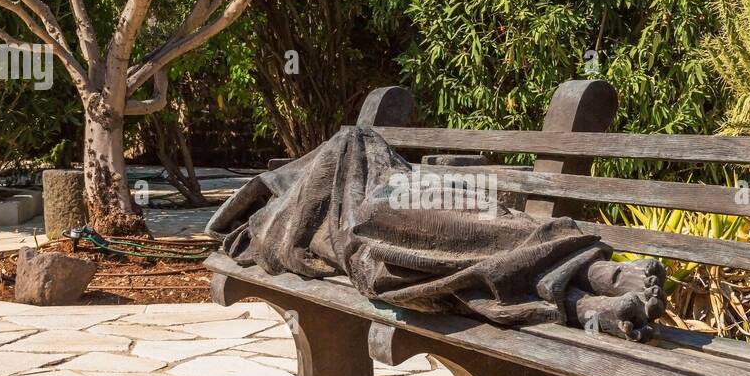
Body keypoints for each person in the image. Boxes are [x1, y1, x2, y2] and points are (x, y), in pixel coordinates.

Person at [207, 127, 665, 341]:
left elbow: (353, 150)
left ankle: (586, 279)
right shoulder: (271, 218)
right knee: (396, 258)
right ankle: (582, 295)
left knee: (454, 216)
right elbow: (255, 221)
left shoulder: (334, 159)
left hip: (383, 191)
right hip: (352, 229)